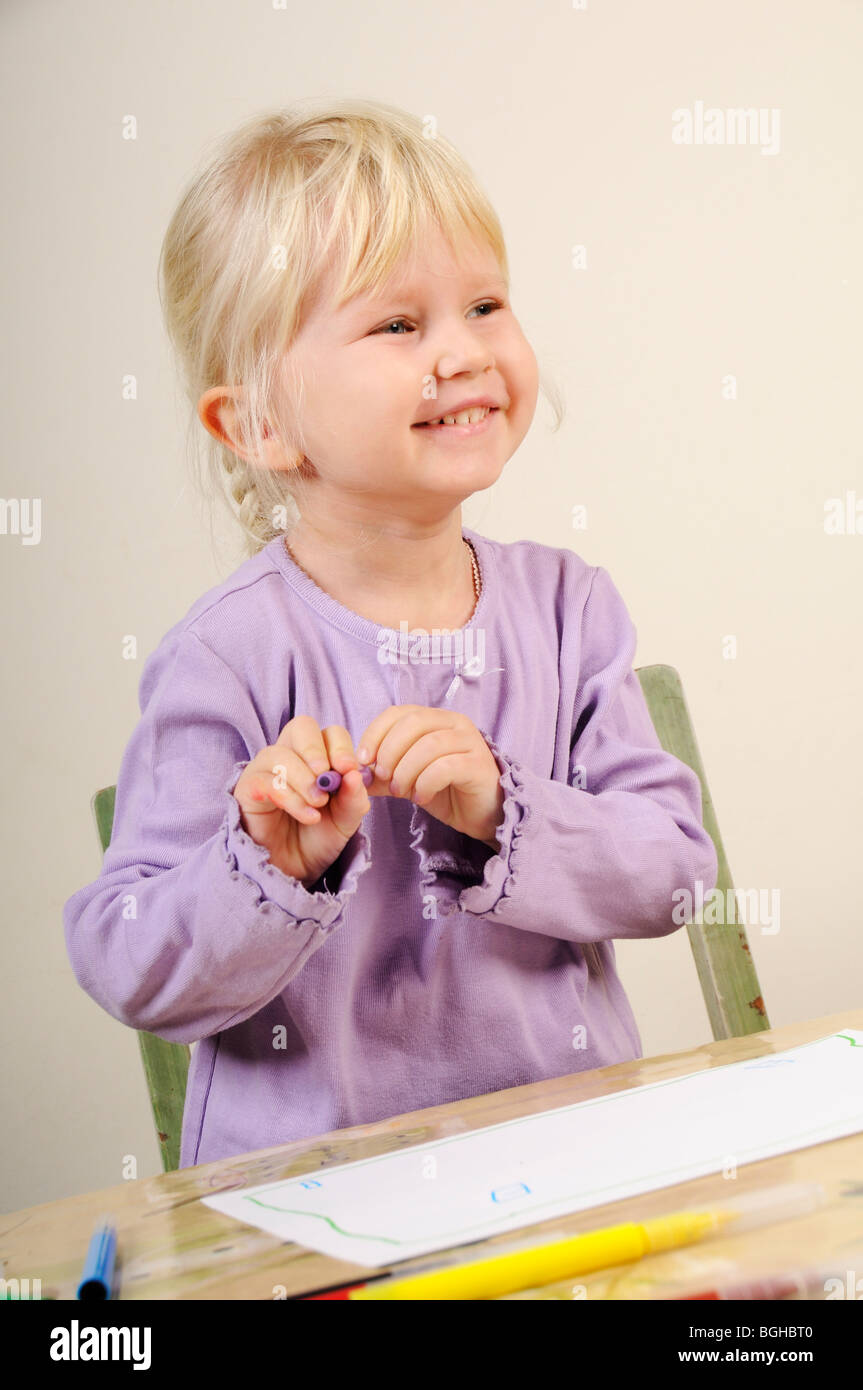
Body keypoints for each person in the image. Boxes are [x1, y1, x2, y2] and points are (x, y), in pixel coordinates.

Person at [63, 99, 718, 1169]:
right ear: (260, 425)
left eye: (484, 304)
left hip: (570, 1173)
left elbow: (674, 874)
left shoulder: (569, 608)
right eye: (397, 324)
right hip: (315, 1216)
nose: (459, 351)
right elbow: (130, 958)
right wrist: (261, 866)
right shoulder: (225, 656)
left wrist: (511, 808)